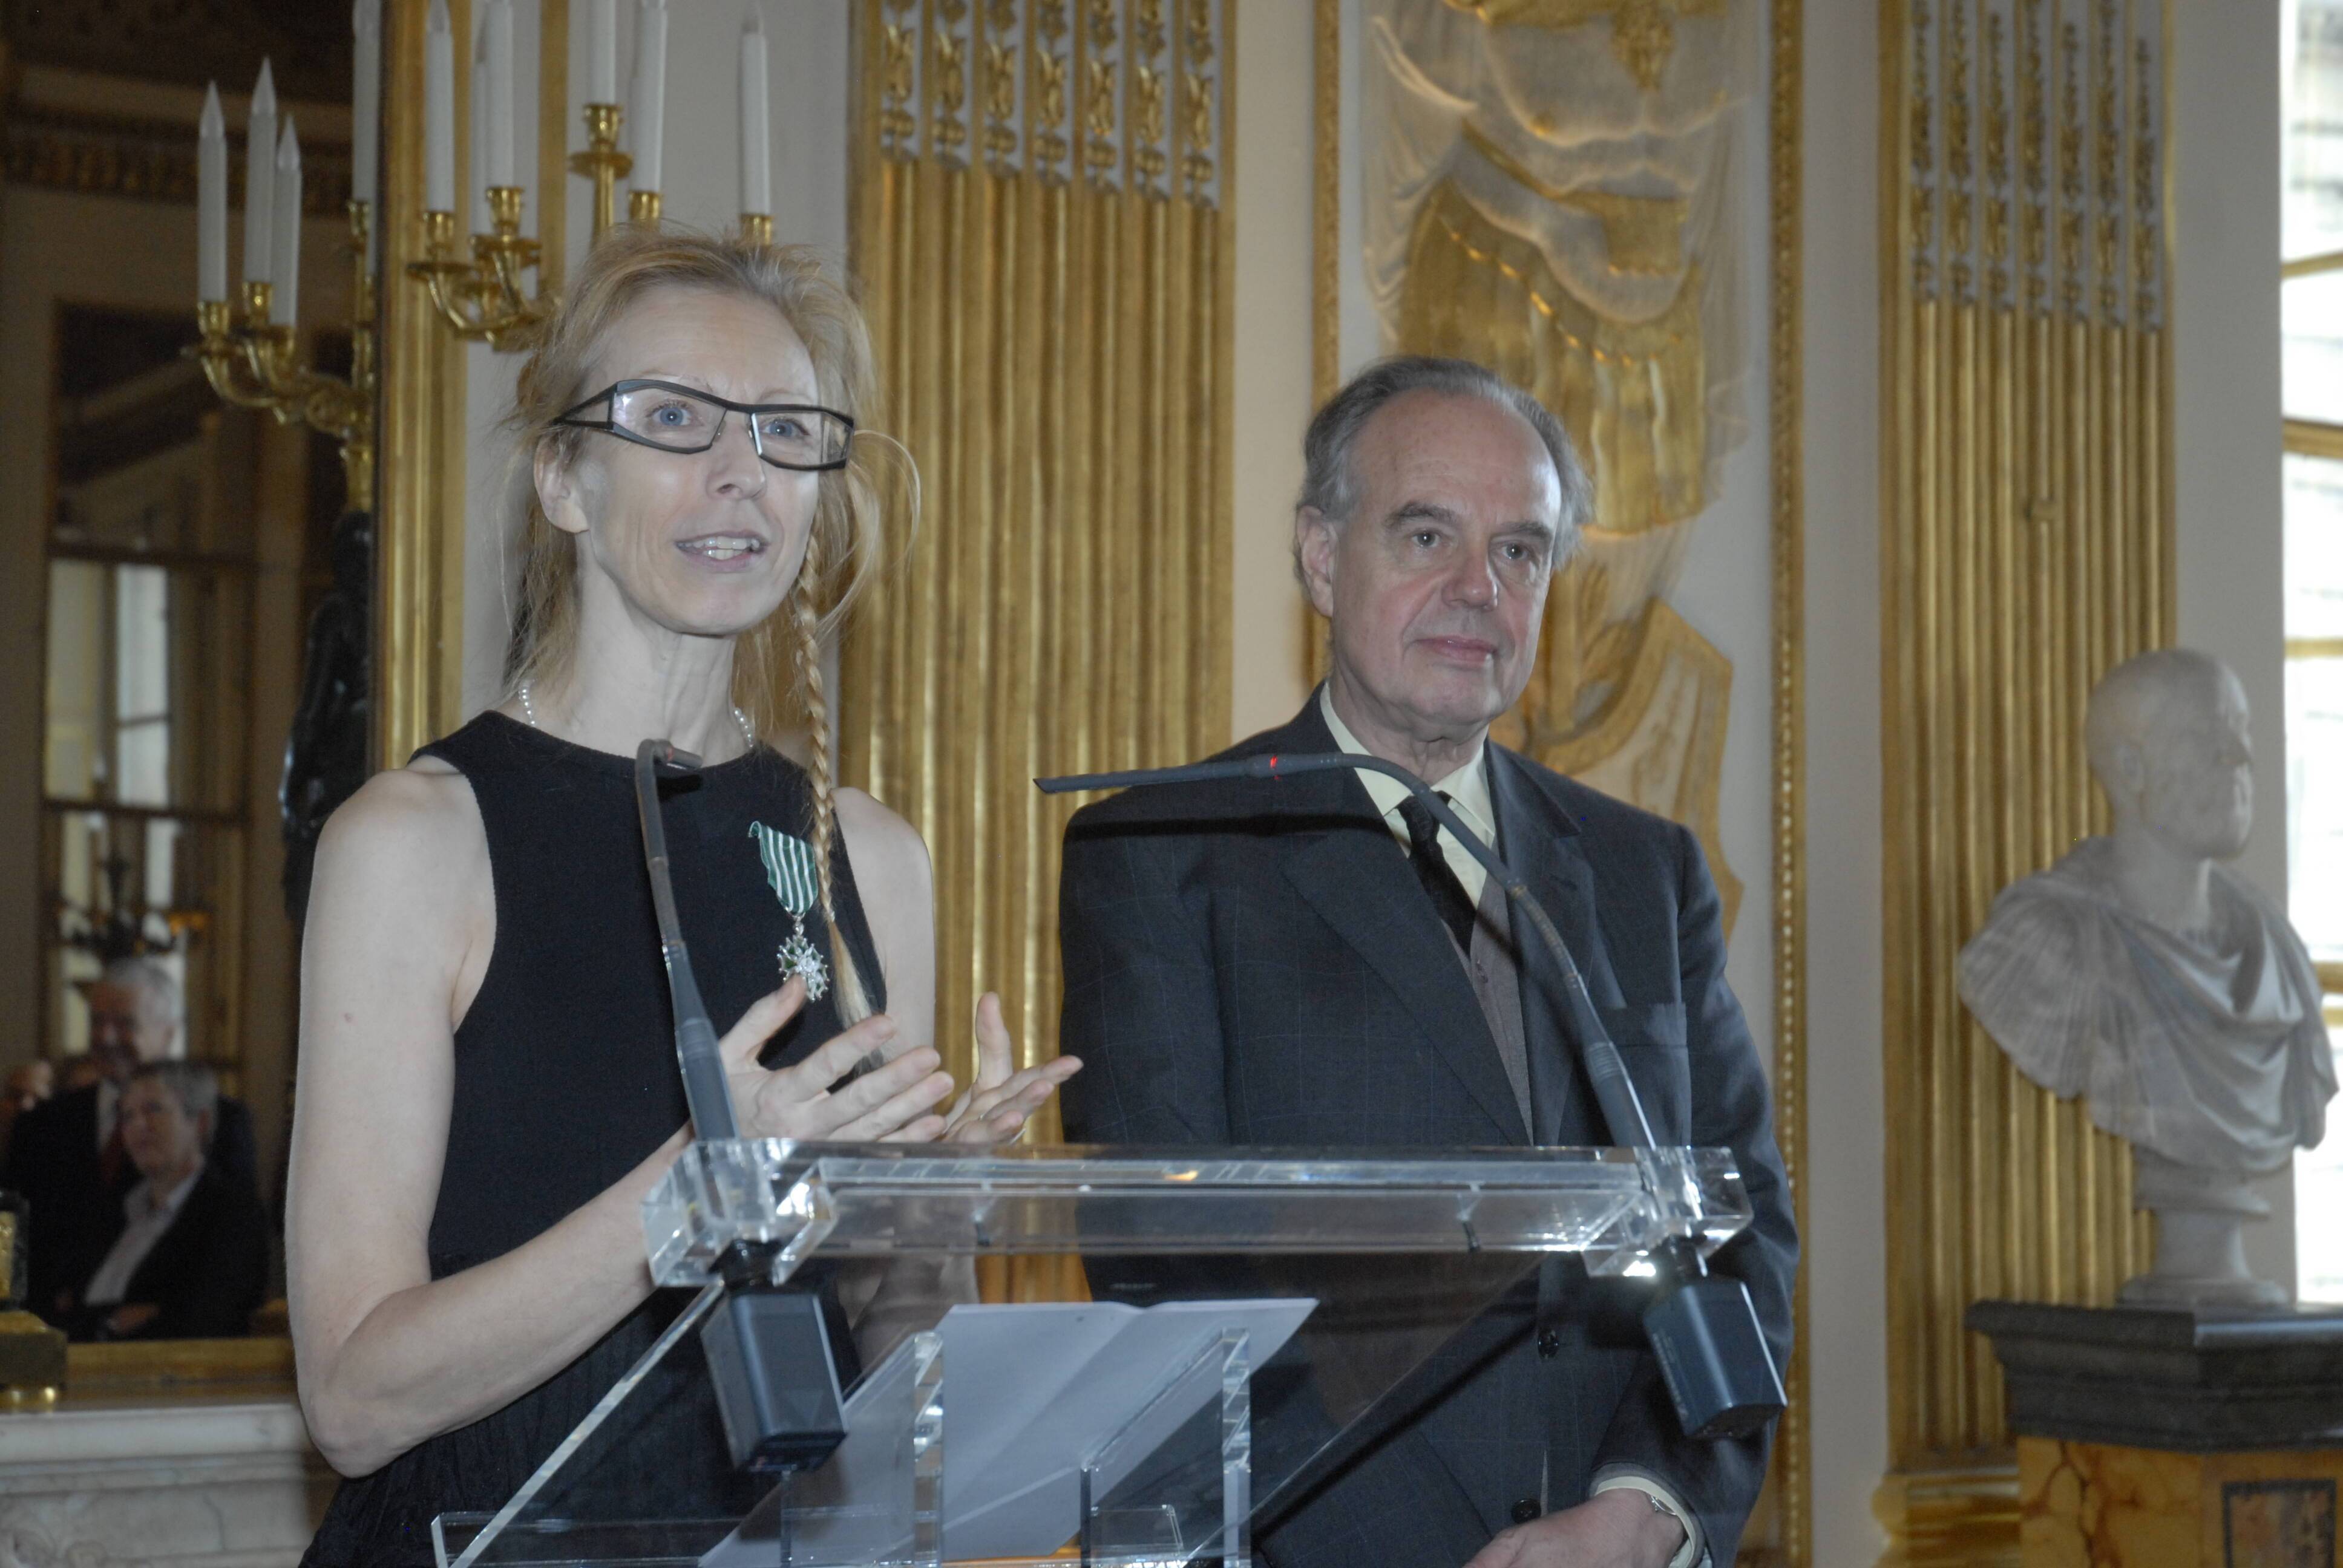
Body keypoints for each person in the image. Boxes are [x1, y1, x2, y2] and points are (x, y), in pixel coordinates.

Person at [286, 227, 1078, 1566]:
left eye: (785, 430)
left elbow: (895, 1347)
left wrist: (933, 1217)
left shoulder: (867, 856)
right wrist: (695, 1201)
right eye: (672, 421)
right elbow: (355, 1401)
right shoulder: (417, 841)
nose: (740, 474)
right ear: (562, 479)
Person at [1058, 357, 1796, 1568]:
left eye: (1521, 551)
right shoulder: (1163, 852)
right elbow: (1169, 1279)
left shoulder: (1639, 870)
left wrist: (1638, 1512)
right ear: (1317, 556)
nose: (1477, 590)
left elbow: (1740, 1231)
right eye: (1424, 535)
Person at [1961, 648, 2335, 1305]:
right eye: (2209, 739)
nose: (2241, 761)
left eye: (2241, 735)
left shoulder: (2276, 949)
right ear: (2130, 768)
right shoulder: (2048, 942)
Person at [2, 956, 259, 1327]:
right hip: (41, 1338)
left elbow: (231, 1249)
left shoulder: (221, 1121)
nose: (105, 1037)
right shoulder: (43, 1123)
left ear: (168, 1033)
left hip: (161, 1348)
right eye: (96, 1022)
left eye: (125, 1024)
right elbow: (9, 1240)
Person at [55, 1060, 268, 1341]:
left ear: (200, 1123)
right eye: (127, 1116)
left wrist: (100, 1324)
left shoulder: (233, 1213)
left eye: (153, 1109)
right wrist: (114, 1320)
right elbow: (64, 1307)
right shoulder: (115, 1209)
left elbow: (202, 1321)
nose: (138, 1126)